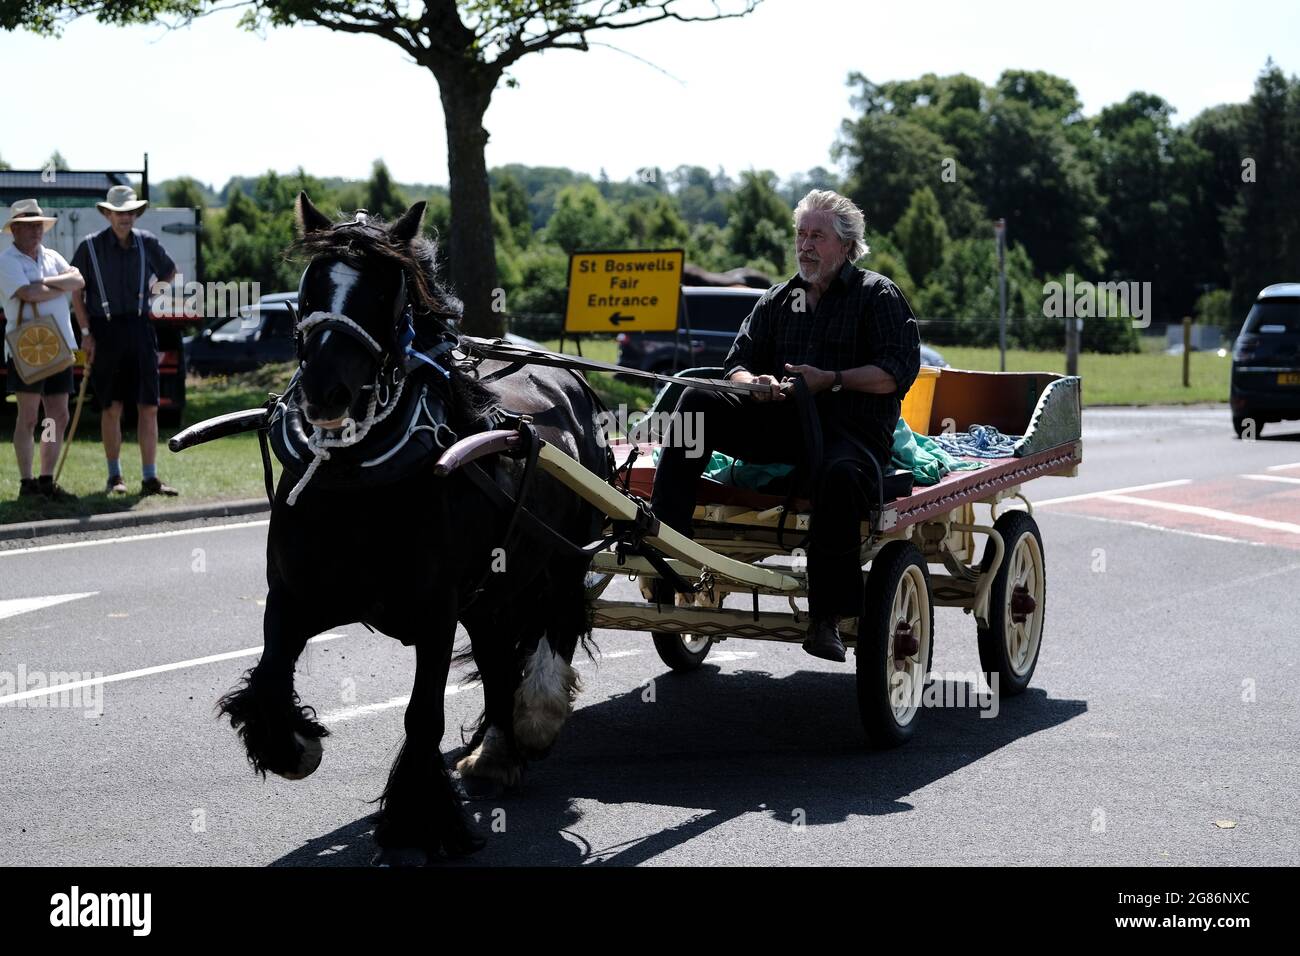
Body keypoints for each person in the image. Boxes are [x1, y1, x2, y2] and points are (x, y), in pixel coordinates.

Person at [651, 190, 921, 662]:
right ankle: (668, 551)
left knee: (838, 479)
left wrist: (831, 381)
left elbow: (896, 372)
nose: (806, 245)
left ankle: (826, 619)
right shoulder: (778, 299)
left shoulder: (877, 295)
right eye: (801, 235)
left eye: (817, 235)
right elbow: (736, 360)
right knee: (695, 401)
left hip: (851, 432)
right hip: (784, 426)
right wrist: (749, 382)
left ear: (846, 244)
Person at [71, 185, 179, 495]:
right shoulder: (90, 247)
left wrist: (153, 294)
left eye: (130, 212)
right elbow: (76, 291)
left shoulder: (147, 243)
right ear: (107, 214)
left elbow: (170, 271)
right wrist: (86, 333)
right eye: (119, 212)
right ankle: (115, 477)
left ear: (136, 213)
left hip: (140, 327)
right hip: (104, 331)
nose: (125, 217)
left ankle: (150, 478)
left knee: (149, 406)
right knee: (112, 407)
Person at [0, 199, 84, 502]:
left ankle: (46, 478)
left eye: (39, 226)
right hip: (28, 348)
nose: (36, 231)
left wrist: (45, 281)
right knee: (29, 417)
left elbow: (78, 279)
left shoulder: (50, 257)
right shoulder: (7, 260)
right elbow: (28, 293)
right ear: (15, 231)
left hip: (58, 346)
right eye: (29, 227)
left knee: (56, 415)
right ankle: (27, 482)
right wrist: (57, 285)